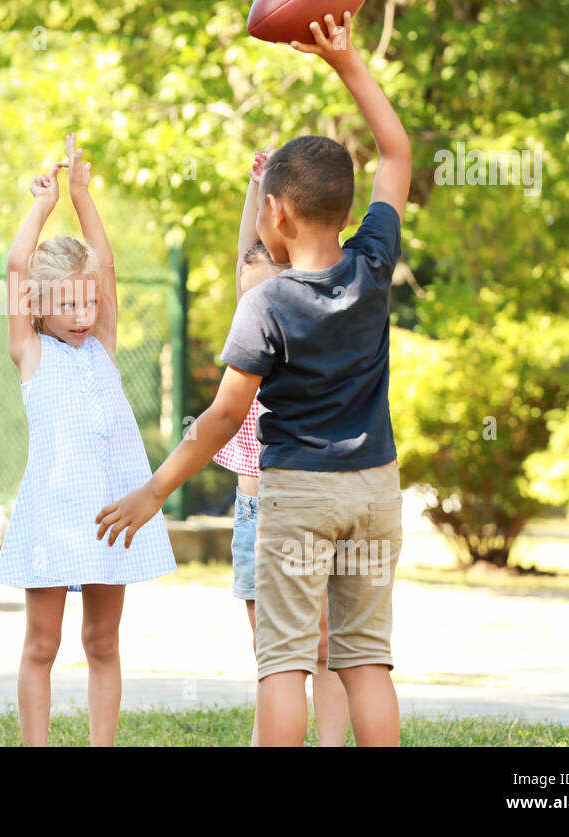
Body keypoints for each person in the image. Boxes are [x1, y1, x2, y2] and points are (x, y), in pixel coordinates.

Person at [97, 10, 411, 747]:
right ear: (342, 208)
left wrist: (154, 489)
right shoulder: (370, 266)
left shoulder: (264, 303)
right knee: (366, 660)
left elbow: (218, 420)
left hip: (298, 492)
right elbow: (395, 155)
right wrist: (347, 63)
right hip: (375, 487)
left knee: (284, 662)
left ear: (272, 211)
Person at [0, 133, 177, 746]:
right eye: (67, 302)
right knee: (42, 644)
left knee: (103, 641)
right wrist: (45, 206)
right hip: (51, 515)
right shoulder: (31, 352)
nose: (81, 312)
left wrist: (83, 195)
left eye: (87, 300)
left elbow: (106, 264)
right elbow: (16, 266)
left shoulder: (101, 345)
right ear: (39, 305)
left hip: (111, 512)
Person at [218, 146, 348, 747]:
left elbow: (262, 261)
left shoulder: (295, 359)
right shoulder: (250, 327)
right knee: (271, 650)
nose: (248, 304)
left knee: (322, 642)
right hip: (252, 512)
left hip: (299, 503)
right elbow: (246, 257)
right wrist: (257, 189)